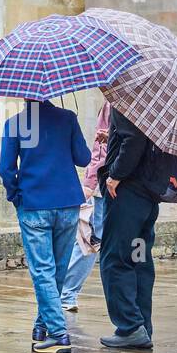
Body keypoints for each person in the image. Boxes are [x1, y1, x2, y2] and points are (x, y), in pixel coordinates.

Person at [0, 99, 90, 353]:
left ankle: (59, 334)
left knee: (42, 271)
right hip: (68, 203)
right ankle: (42, 326)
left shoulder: (14, 124)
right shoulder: (68, 118)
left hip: (34, 204)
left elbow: (6, 169)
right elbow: (83, 159)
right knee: (57, 270)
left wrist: (15, 196)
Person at [97, 108, 164, 351]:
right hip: (147, 197)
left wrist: (115, 175)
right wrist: (113, 135)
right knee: (139, 260)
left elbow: (133, 140)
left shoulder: (126, 100)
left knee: (115, 259)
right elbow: (139, 137)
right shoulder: (153, 102)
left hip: (126, 196)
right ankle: (142, 325)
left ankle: (129, 327)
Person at [61, 102, 110, 312]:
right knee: (93, 239)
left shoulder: (112, 104)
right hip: (121, 184)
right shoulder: (119, 103)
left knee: (90, 239)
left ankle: (67, 292)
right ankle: (67, 292)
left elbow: (100, 151)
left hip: (112, 182)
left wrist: (90, 182)